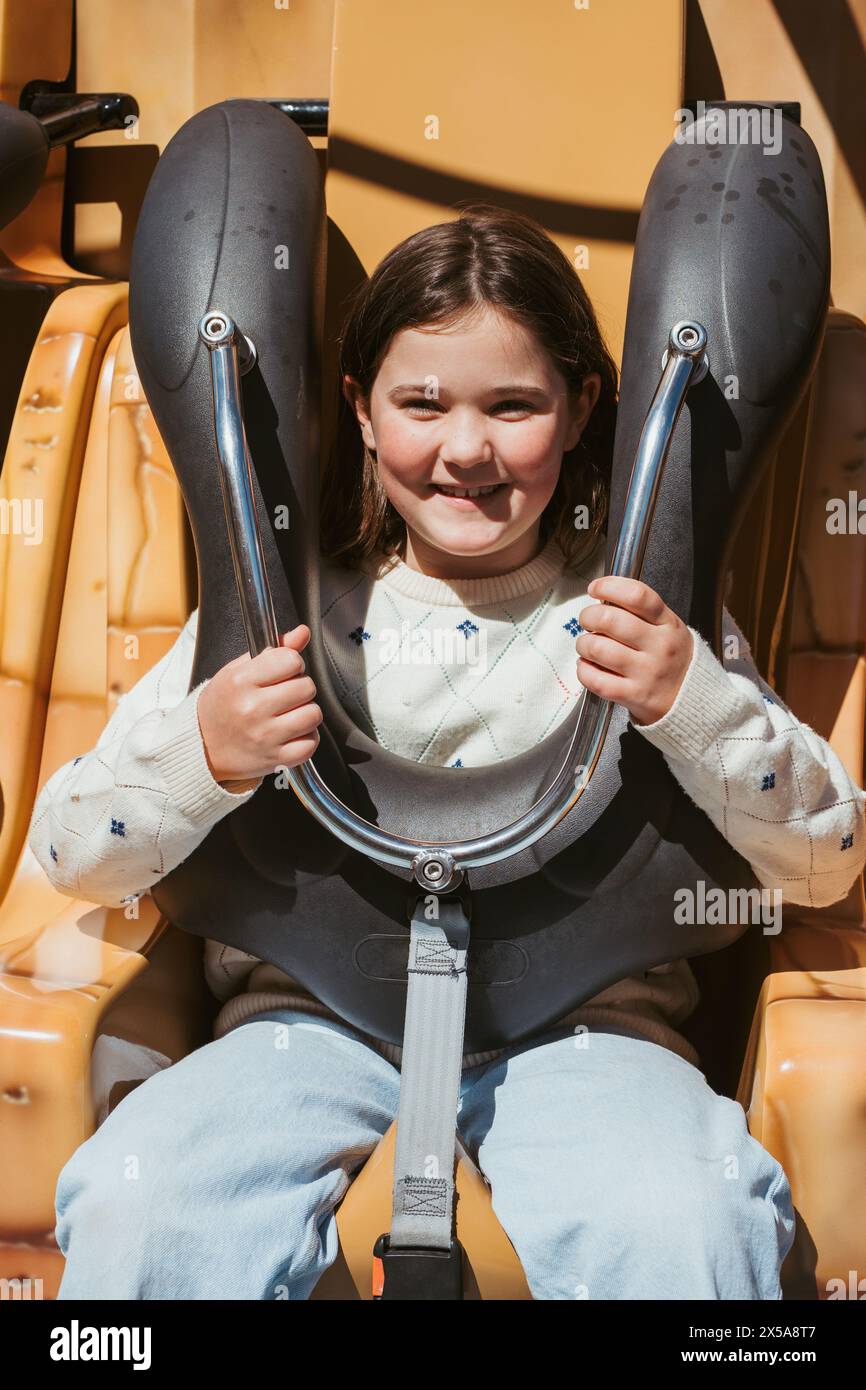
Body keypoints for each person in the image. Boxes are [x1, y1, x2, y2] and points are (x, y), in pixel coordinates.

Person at [29, 206, 866, 1300]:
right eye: (420, 402)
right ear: (361, 415)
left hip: (585, 1033)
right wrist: (208, 752)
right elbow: (68, 849)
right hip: (303, 1024)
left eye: (511, 405)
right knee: (147, 1207)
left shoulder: (638, 620)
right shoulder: (283, 614)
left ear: (578, 412)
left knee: (692, 1222)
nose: (463, 448)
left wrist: (690, 700)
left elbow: (825, 858)